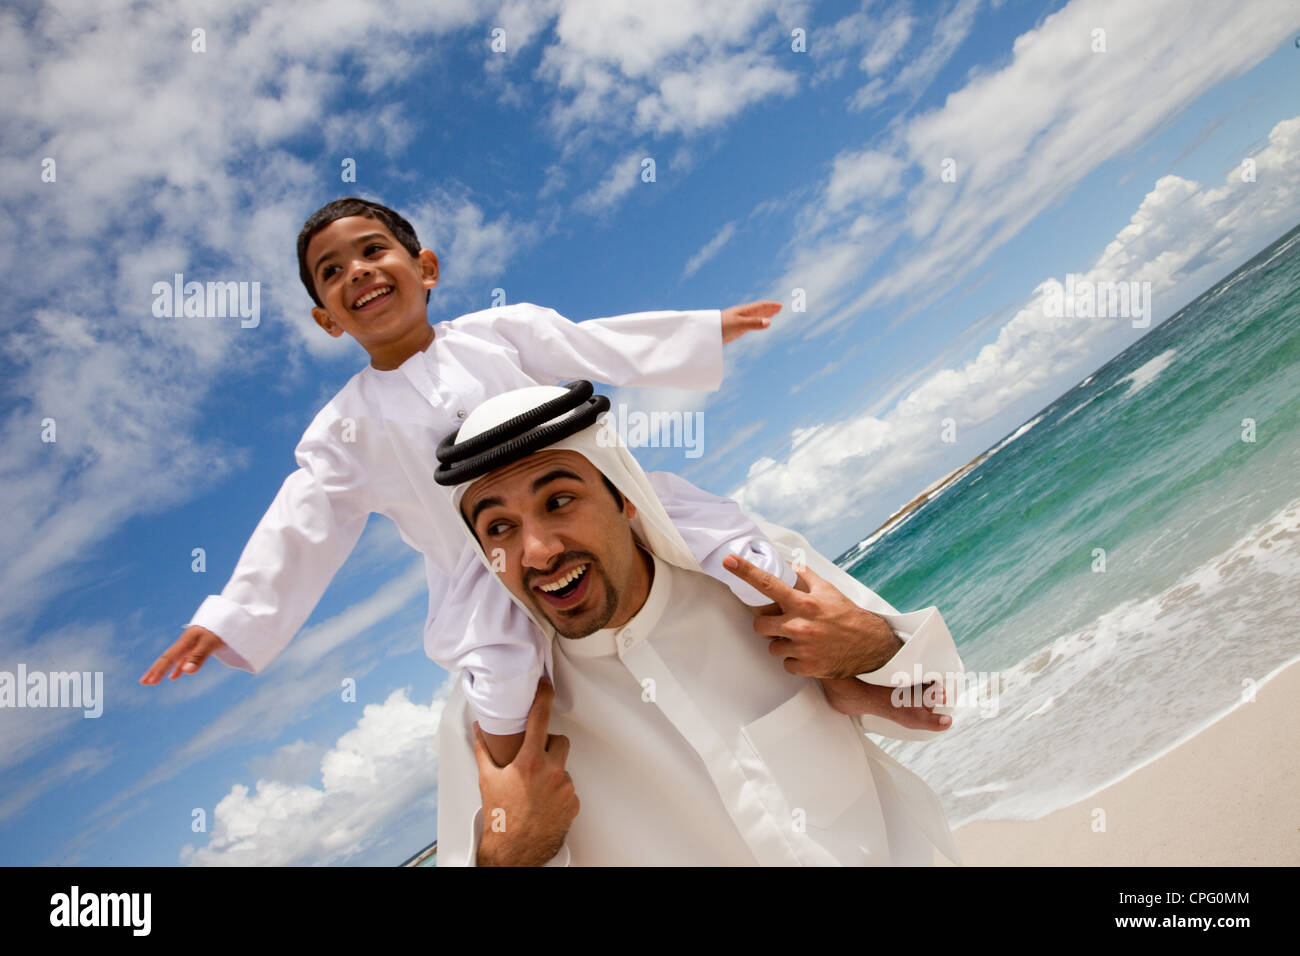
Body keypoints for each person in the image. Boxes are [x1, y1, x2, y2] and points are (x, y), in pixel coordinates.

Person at [137, 196, 842, 767]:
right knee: (500, 679)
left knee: (738, 549)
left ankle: (842, 675)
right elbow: (301, 524)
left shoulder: (502, 332)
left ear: (425, 266)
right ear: (326, 320)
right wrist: (228, 616)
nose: (356, 270)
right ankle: (517, 794)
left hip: (602, 503)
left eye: (373, 251)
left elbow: (594, 344)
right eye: (331, 271)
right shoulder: (341, 428)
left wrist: (701, 331)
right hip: (479, 571)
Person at [436, 383, 967, 866]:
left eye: (559, 501)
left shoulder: (758, 577)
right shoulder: (490, 724)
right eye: (499, 527)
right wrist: (510, 854)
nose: (537, 552)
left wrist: (870, 650)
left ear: (624, 497)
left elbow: (941, 702)